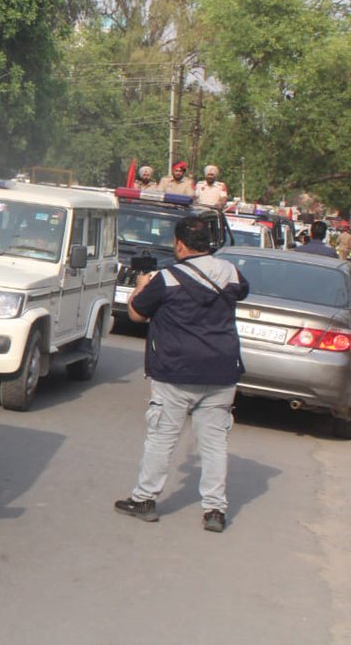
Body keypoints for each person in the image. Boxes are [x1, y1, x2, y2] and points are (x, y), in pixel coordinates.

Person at [114, 216, 248, 533]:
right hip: (221, 372)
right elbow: (241, 292)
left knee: (162, 439)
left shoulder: (167, 278)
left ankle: (144, 500)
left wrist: (141, 288)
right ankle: (215, 511)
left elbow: (135, 314)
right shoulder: (230, 272)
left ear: (179, 244)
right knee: (214, 444)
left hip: (175, 372)